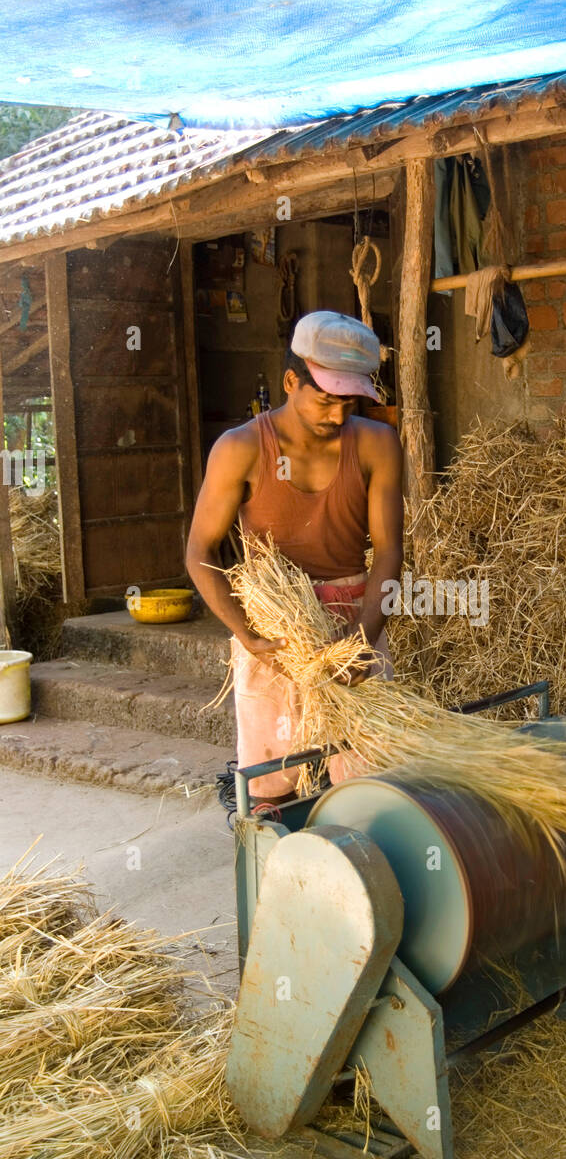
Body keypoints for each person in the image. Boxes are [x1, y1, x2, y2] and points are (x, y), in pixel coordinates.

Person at [186, 311, 404, 809]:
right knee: (271, 786)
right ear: (290, 381)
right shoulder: (240, 448)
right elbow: (199, 553)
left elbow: (389, 550)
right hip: (275, 632)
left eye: (348, 401)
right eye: (325, 399)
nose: (336, 415)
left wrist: (362, 641)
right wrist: (248, 636)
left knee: (368, 782)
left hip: (356, 619)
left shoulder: (376, 444)